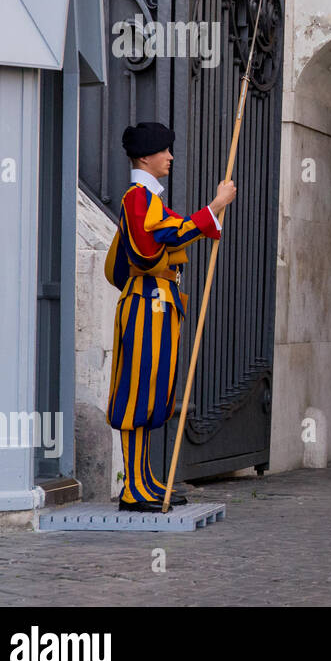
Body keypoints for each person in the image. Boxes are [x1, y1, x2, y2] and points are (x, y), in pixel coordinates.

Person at [104, 122, 236, 512]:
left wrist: (203, 221)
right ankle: (133, 487)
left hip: (159, 302)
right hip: (145, 302)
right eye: (164, 150)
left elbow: (175, 232)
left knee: (153, 392)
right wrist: (213, 208)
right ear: (146, 156)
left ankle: (144, 479)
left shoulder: (151, 199)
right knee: (137, 394)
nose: (171, 157)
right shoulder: (138, 198)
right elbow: (153, 247)